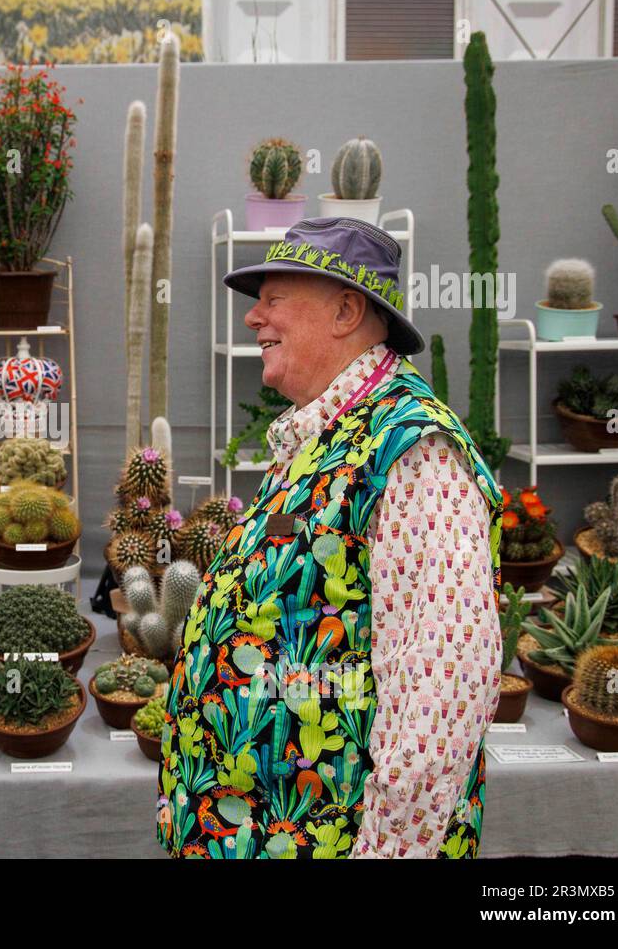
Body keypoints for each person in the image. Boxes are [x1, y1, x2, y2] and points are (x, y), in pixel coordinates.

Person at [157, 217, 503, 859]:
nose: (253, 317)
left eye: (273, 298)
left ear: (346, 309)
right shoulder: (331, 436)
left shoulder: (412, 452)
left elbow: (445, 691)